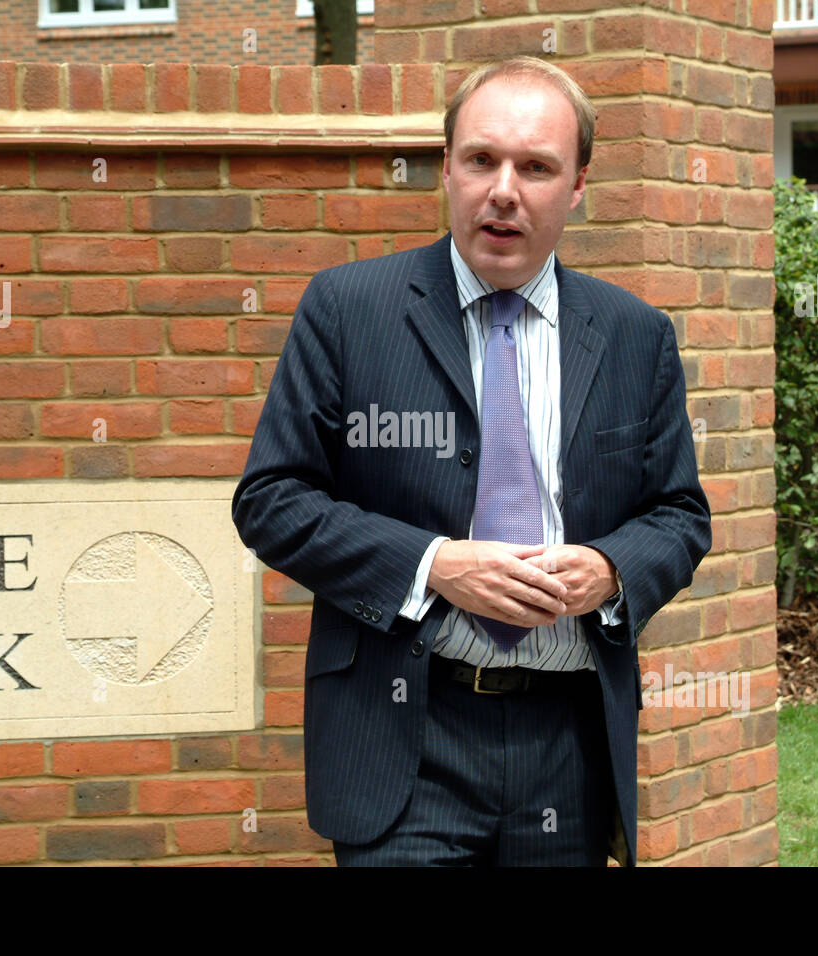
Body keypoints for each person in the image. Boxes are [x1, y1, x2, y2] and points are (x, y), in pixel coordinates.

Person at [232, 55, 711, 866]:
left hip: (570, 745)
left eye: (536, 167)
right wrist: (436, 565)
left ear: (578, 184)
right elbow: (273, 499)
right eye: (482, 159)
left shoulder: (635, 334)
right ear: (445, 168)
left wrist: (608, 567)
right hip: (406, 741)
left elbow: (678, 515)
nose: (504, 190)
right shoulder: (349, 310)